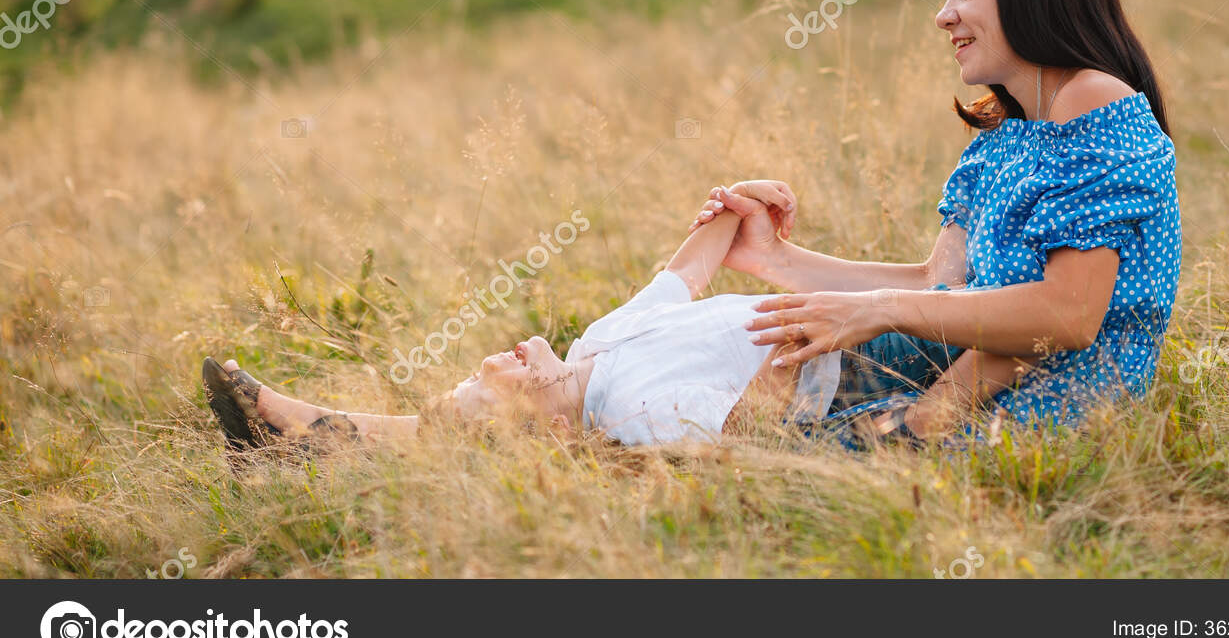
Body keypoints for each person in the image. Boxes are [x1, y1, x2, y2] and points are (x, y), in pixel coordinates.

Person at [689, 0, 1183, 446]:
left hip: (1048, 409)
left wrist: (915, 405)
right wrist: (772, 257)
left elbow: (1068, 315)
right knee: (767, 374)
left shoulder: (1092, 100)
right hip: (967, 370)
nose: (943, 15)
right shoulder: (1003, 138)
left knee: (786, 457)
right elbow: (938, 283)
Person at [202, 182, 849, 452]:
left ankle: (289, 430)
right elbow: (755, 426)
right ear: (556, 433)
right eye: (486, 388)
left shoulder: (599, 343)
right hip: (850, 354)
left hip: (843, 318)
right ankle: (291, 431)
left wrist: (739, 197)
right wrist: (799, 332)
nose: (487, 360)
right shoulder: (631, 410)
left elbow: (684, 274)